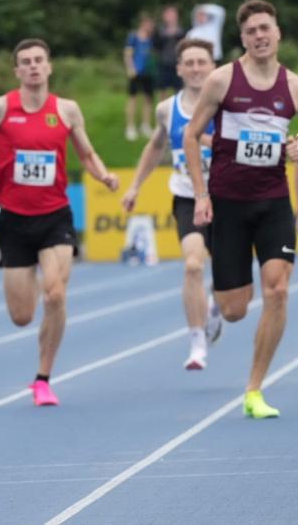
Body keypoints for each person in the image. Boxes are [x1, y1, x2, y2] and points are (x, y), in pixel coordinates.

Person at [0, 39, 120, 406]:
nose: (33, 66)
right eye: (25, 62)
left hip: (54, 217)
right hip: (13, 221)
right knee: (21, 316)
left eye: (38, 60)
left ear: (49, 67)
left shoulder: (67, 110)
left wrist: (104, 175)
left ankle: (43, 378)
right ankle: (29, 272)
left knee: (56, 293)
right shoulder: (0, 108)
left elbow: (86, 152)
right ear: (17, 71)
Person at [183, 0, 298, 419]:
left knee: (277, 288)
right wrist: (202, 195)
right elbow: (191, 136)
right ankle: (214, 304)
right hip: (228, 203)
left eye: (265, 28)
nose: (259, 36)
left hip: (273, 202)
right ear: (241, 39)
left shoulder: (297, 88)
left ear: (278, 33)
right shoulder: (222, 81)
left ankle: (254, 388)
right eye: (251, 31)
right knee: (235, 309)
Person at [121, 38, 224, 369]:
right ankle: (197, 343)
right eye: (189, 63)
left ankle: (216, 305)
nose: (195, 69)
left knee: (230, 281)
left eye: (201, 62)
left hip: (229, 198)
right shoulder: (167, 109)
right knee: (193, 264)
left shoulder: (227, 104)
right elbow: (154, 147)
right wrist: (135, 186)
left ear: (213, 65)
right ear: (178, 69)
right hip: (188, 197)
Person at [124, 14, 157, 141]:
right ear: (142, 24)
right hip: (135, 72)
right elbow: (127, 54)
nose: (149, 26)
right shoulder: (133, 37)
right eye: (147, 24)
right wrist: (130, 68)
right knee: (133, 99)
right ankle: (130, 126)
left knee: (148, 99)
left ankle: (145, 125)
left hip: (148, 73)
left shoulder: (152, 39)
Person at [152, 4, 188, 97]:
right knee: (162, 89)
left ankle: (176, 109)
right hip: (164, 63)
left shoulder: (183, 31)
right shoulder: (159, 31)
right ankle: (163, 110)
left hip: (178, 63)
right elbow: (155, 46)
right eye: (168, 14)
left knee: (179, 89)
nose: (170, 17)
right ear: (164, 16)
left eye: (172, 14)